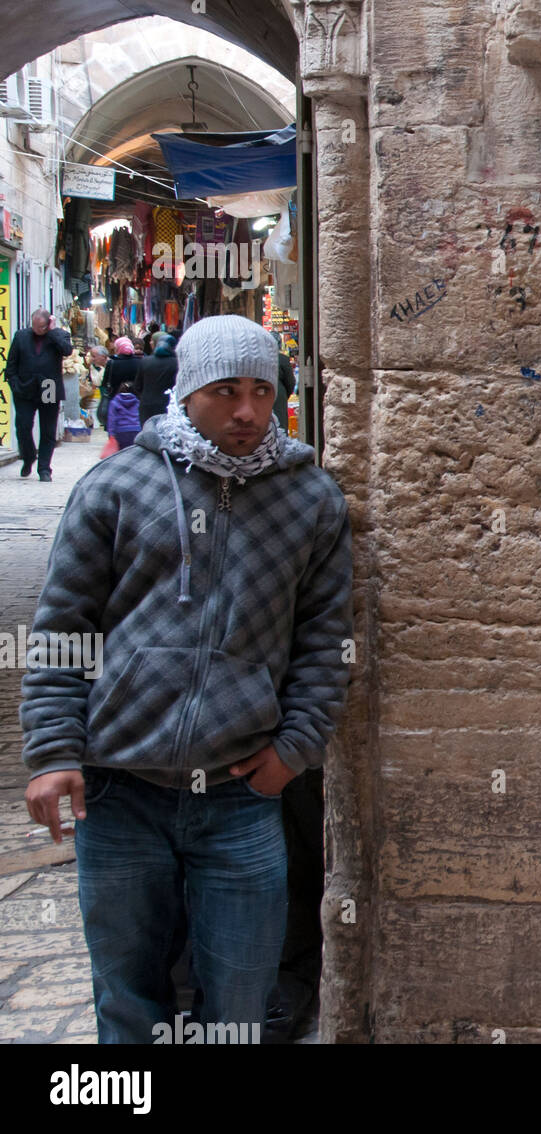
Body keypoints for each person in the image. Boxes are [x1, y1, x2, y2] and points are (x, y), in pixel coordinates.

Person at [21, 314, 354, 1044]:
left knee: (237, 1003)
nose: (246, 411)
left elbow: (327, 643)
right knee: (128, 1000)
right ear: (185, 390)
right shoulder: (117, 487)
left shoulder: (310, 501)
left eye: (262, 391)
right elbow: (60, 631)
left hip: (239, 799)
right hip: (118, 793)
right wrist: (53, 752)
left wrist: (293, 751)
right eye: (224, 391)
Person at [4, 308, 73, 480]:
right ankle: (28, 457)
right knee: (23, 426)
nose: (37, 329)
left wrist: (53, 330)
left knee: (48, 429)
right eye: (34, 326)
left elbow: (67, 351)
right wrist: (14, 383)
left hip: (48, 386)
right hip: (25, 388)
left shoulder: (58, 335)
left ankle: (44, 468)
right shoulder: (21, 336)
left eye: (41, 326)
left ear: (49, 322)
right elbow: (11, 363)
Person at [97, 336, 141, 431]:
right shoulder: (140, 362)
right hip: (135, 401)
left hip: (116, 401)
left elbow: (105, 383)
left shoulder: (112, 363)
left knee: (115, 427)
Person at [136, 331, 179, 424]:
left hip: (147, 406)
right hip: (169, 406)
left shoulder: (145, 361)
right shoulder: (177, 363)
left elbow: (138, 386)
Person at [105, 378, 142, 450]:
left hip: (120, 431)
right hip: (136, 430)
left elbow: (111, 419)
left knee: (121, 453)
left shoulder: (114, 402)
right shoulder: (137, 402)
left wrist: (111, 434)